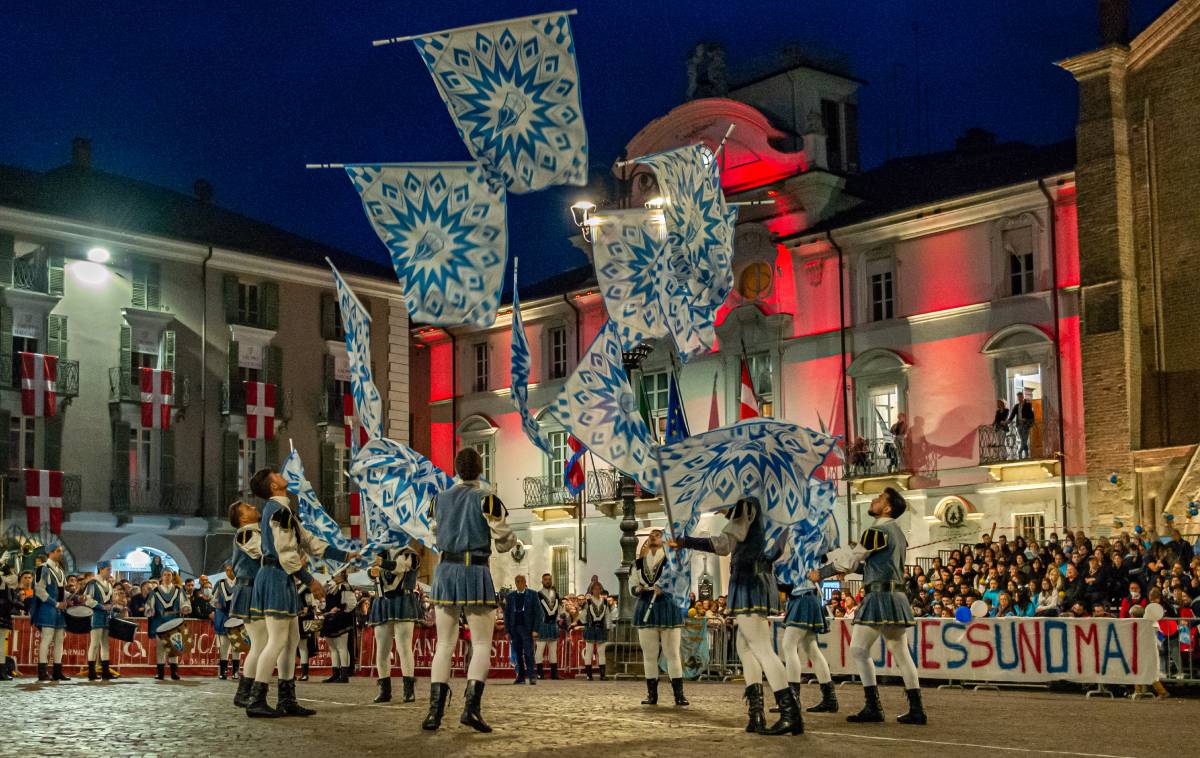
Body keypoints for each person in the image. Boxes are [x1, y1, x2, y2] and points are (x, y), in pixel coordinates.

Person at [673, 500, 800, 736]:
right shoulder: (771, 508)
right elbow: (779, 550)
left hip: (748, 580)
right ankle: (756, 713)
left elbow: (724, 545)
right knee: (745, 648)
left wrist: (686, 541)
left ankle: (790, 713)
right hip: (756, 578)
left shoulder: (747, 504)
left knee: (761, 648)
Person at [245, 468, 356, 718]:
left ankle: (287, 699)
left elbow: (309, 542)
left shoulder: (284, 511)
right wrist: (310, 580)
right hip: (276, 576)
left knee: (291, 640)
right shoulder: (279, 511)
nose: (281, 475)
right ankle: (256, 699)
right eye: (276, 475)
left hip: (281, 577)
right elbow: (286, 553)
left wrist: (344, 555)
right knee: (277, 640)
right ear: (273, 486)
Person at [811, 487, 926, 725]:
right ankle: (917, 709)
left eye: (880, 499)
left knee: (858, 649)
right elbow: (878, 566)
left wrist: (821, 573)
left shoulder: (875, 531)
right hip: (896, 596)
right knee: (901, 653)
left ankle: (873, 706)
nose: (874, 500)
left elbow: (850, 561)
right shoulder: (897, 533)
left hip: (878, 598)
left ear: (887, 508)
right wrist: (856, 569)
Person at [423, 447, 515, 733]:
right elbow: (503, 537)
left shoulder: (438, 499)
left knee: (444, 644)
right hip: (474, 570)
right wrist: (506, 544)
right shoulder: (487, 499)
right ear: (480, 469)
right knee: (481, 643)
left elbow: (433, 533)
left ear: (456, 469)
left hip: (445, 572)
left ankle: (434, 714)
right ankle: (471, 709)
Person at [631, 529, 688, 708]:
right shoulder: (638, 563)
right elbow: (632, 585)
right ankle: (652, 695)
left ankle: (679, 695)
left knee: (672, 653)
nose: (653, 536)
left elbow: (681, 582)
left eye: (657, 534)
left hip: (668, 606)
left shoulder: (673, 561)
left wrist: (667, 589)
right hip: (645, 606)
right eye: (651, 535)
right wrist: (638, 589)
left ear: (664, 540)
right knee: (649, 655)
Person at [777, 558, 837, 715]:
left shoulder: (800, 553)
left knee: (789, 645)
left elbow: (786, 582)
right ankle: (829, 698)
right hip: (806, 598)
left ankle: (793, 699)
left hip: (802, 598)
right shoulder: (808, 553)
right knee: (811, 648)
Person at [368, 544, 422, 703]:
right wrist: (371, 571)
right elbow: (371, 573)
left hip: (403, 600)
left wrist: (379, 562)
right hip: (382, 600)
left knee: (404, 647)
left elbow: (398, 567)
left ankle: (408, 690)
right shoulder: (379, 552)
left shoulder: (410, 554)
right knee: (382, 649)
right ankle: (384, 690)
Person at [227, 501, 266, 708]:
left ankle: (248, 692)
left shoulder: (254, 532)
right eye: (248, 508)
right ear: (243, 518)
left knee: (262, 643)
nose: (254, 507)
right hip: (250, 589)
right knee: (260, 643)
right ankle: (245, 692)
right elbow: (264, 552)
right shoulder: (246, 534)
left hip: (253, 588)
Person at [32, 544, 69, 682]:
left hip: (59, 609)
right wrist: (55, 603)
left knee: (60, 640)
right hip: (48, 609)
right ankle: (42, 672)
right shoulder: (43, 568)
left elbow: (61, 590)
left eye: (61, 551)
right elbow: (39, 590)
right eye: (58, 551)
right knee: (46, 639)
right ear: (50, 552)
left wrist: (72, 597)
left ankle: (57, 672)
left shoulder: (60, 570)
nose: (61, 553)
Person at [147, 568, 191, 681]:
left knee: (174, 647)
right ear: (161, 577)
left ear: (172, 576)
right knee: (160, 648)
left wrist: (185, 607)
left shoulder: (179, 590)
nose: (167, 577)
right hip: (159, 622)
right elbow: (149, 605)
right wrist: (150, 610)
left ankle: (174, 672)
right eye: (165, 575)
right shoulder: (155, 591)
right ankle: (160, 673)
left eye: (169, 575)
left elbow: (185, 603)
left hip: (174, 623)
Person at [320, 569, 357, 684]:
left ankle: (344, 675)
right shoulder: (331, 587)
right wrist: (323, 608)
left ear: (341, 575)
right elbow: (324, 603)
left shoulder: (345, 587)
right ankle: (335, 674)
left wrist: (340, 609)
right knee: (333, 648)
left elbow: (351, 604)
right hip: (330, 619)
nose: (333, 576)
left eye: (335, 574)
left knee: (342, 647)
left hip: (341, 620)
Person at [82, 561, 117, 681]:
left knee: (105, 644)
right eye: (108, 569)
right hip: (96, 615)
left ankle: (105, 671)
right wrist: (102, 606)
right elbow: (87, 600)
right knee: (95, 643)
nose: (110, 571)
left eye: (110, 569)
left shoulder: (109, 584)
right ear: (101, 569)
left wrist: (111, 606)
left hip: (106, 616)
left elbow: (110, 600)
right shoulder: (92, 583)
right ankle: (91, 672)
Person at [504, 575, 538, 686]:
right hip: (514, 629)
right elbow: (506, 614)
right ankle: (521, 677)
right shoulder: (510, 596)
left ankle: (532, 676)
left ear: (525, 582)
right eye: (517, 581)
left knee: (528, 653)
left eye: (521, 581)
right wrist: (507, 631)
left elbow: (538, 613)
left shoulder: (533, 594)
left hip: (527, 629)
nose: (519, 583)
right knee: (518, 654)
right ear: (515, 583)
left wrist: (535, 629)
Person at [580, 580, 610, 681]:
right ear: (592, 590)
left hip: (601, 628)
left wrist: (608, 626)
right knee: (589, 651)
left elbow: (607, 615)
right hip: (590, 628)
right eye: (595, 589)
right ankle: (589, 675)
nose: (597, 591)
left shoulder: (605, 602)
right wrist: (586, 623)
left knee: (601, 652)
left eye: (599, 589)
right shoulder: (588, 602)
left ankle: (602, 675)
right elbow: (583, 615)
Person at [534, 572, 562, 681]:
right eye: (545, 579)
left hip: (553, 624)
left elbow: (559, 610)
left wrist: (559, 620)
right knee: (540, 649)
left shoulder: (556, 595)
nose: (548, 581)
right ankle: (540, 674)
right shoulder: (538, 595)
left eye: (549, 579)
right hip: (542, 624)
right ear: (542, 581)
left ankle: (554, 674)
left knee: (553, 650)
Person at [0, 558, 24, 681]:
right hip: (2, 611)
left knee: (1, 642)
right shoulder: (9, 578)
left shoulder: (8, 578)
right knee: (1, 643)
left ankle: (2, 671)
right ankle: (1, 672)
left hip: (3, 611)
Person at [212, 563, 236, 680]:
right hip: (223, 616)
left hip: (236, 617)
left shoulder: (240, 583)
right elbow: (213, 599)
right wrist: (216, 603)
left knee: (237, 646)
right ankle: (223, 671)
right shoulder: (220, 583)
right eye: (227, 570)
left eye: (231, 570)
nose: (229, 572)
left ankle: (236, 671)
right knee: (224, 646)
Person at [1008, 391, 1035, 459]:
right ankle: (1026, 454)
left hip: (1026, 425)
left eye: (1020, 397)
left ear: (1023, 397)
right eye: (1018, 397)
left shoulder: (1028, 404)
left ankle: (1020, 452)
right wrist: (1008, 421)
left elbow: (1031, 414)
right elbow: (1012, 415)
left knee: (1024, 440)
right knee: (1023, 440)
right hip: (1019, 425)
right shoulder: (1016, 406)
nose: (1019, 398)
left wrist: (1026, 418)